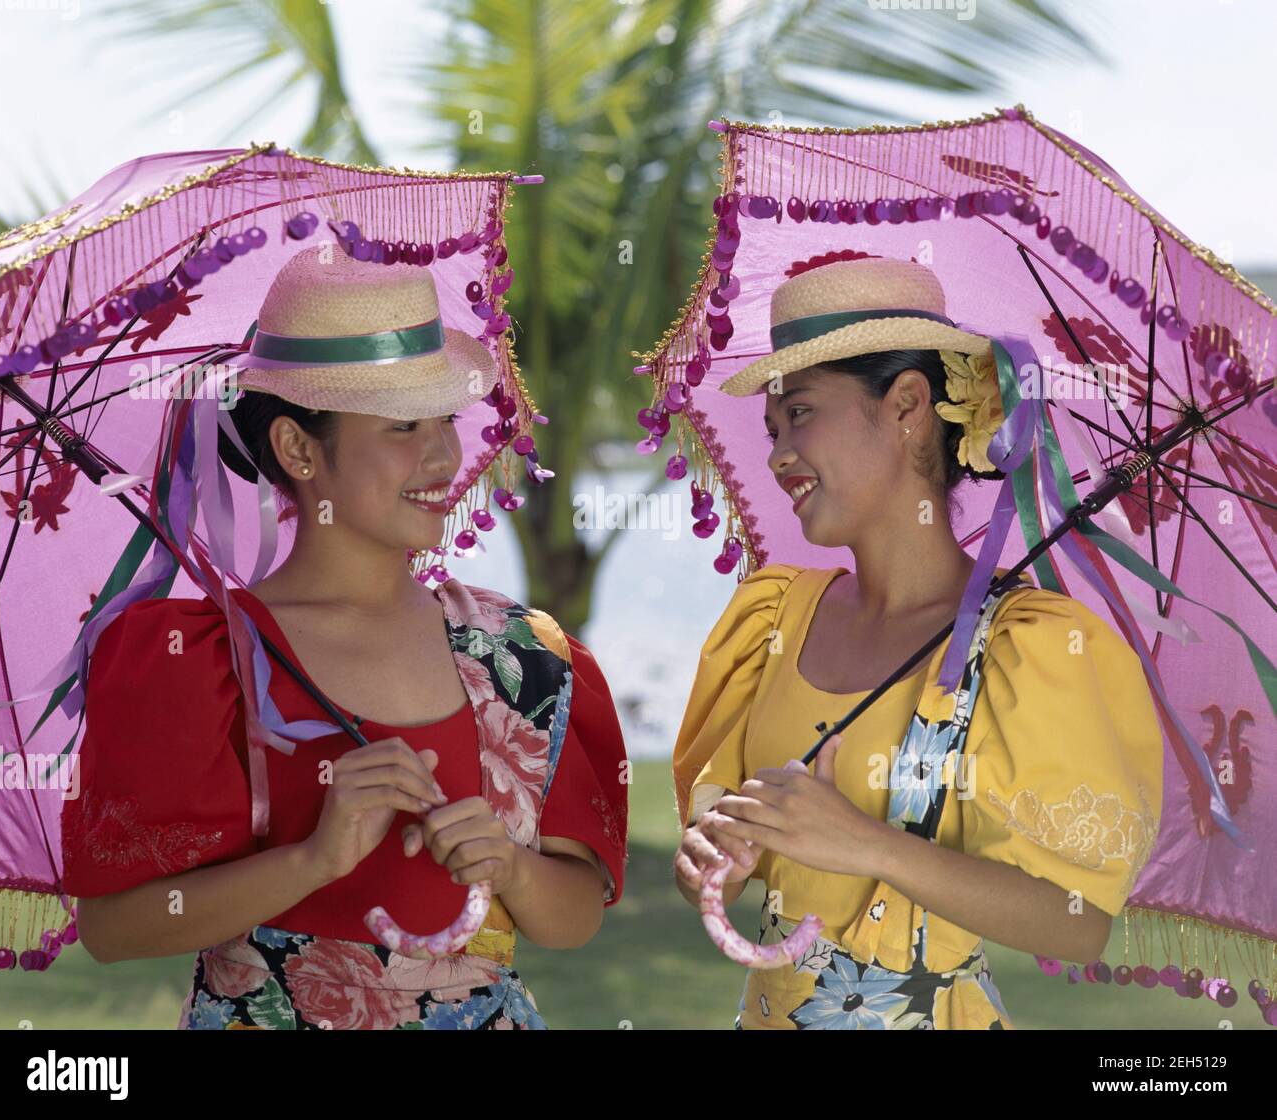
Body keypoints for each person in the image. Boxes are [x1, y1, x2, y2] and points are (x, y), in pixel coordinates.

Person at [61, 244, 628, 1030]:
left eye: (446, 422)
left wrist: (511, 869)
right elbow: (115, 930)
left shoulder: (521, 655)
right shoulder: (201, 658)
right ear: (298, 449)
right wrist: (313, 859)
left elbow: (575, 917)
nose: (443, 456)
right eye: (403, 427)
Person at [672, 256, 1163, 1030]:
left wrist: (870, 845)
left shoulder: (1024, 649)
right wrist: (713, 852)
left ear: (905, 406)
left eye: (799, 414)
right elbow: (716, 834)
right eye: (772, 428)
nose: (776, 454)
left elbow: (1077, 922)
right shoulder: (770, 619)